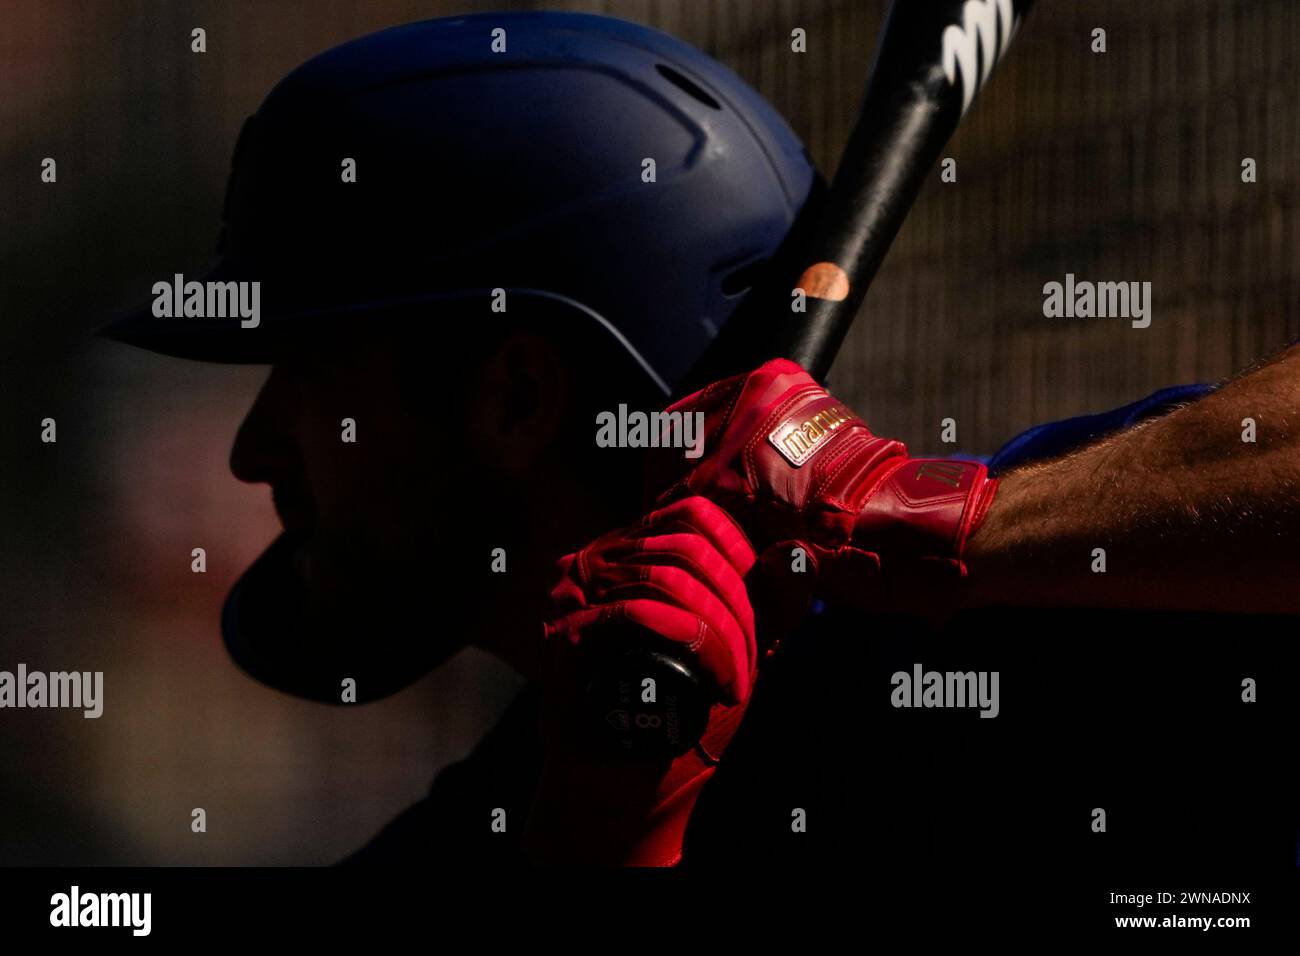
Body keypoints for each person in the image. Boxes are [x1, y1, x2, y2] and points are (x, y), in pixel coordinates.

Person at [103, 12, 1299, 872]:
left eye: (305, 380)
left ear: (519, 396)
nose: (250, 452)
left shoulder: (1012, 618)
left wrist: (934, 515)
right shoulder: (510, 818)